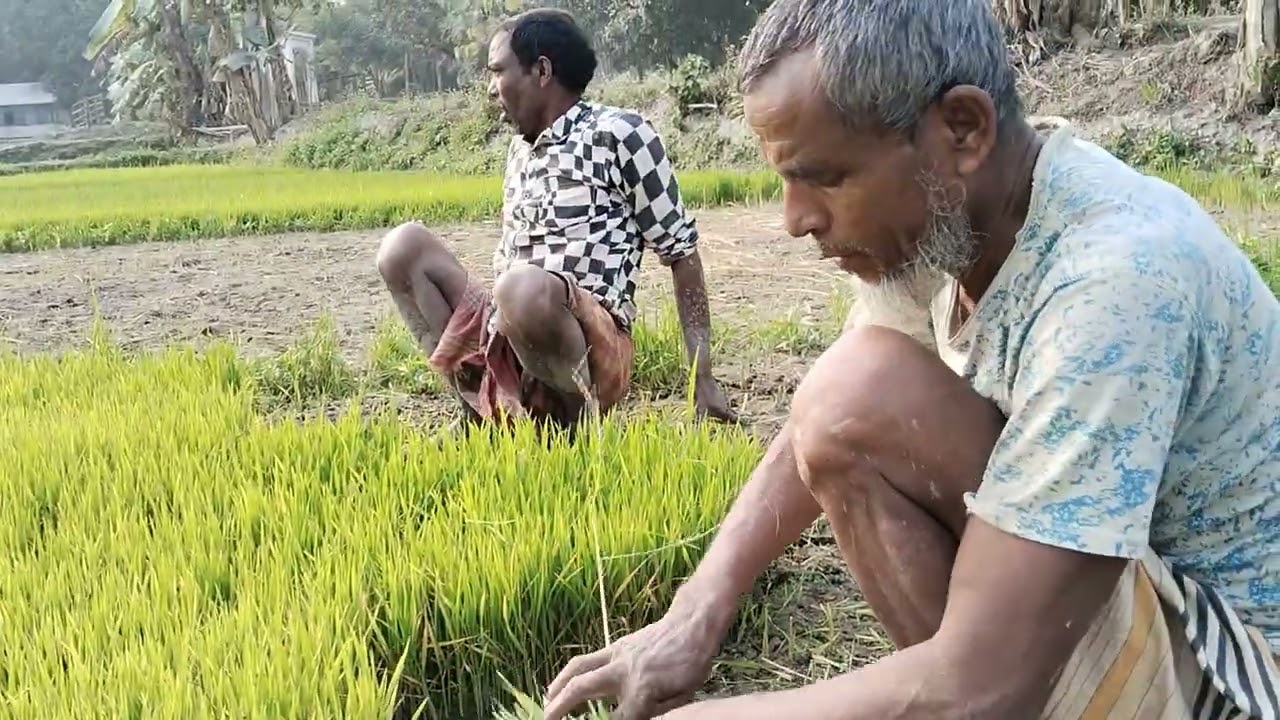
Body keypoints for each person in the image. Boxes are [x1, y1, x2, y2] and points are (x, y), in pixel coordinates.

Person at [541, 0, 1280, 718]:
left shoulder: (1113, 282)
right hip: (1139, 598)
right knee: (847, 404)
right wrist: (694, 612)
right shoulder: (961, 212)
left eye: (823, 177)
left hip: (1238, 669)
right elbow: (823, 422)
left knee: (859, 401)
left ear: (962, 128)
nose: (795, 219)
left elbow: (979, 686)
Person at [376, 8, 735, 430]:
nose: (492, 89)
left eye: (498, 71)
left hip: (590, 344)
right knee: (403, 247)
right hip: (510, 329)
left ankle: (576, 431)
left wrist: (702, 376)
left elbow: (681, 252)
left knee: (521, 288)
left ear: (542, 70)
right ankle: (481, 413)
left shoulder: (621, 134)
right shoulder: (519, 150)